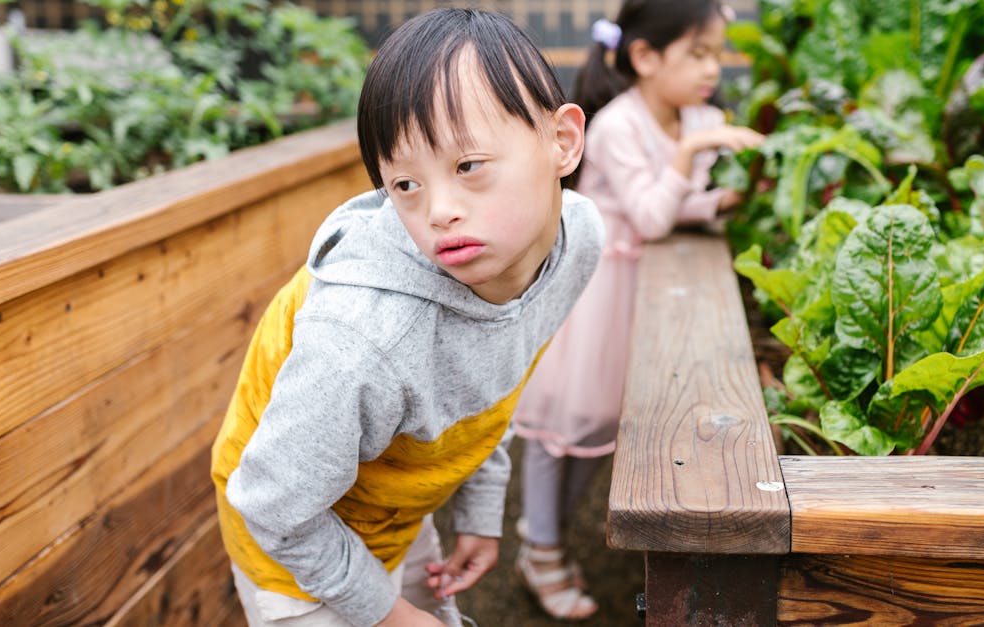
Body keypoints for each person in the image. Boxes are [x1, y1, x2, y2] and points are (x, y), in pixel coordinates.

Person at [209, 8, 604, 627]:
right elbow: (273, 507)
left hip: (390, 493)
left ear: (563, 142)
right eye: (404, 184)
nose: (440, 210)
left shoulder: (577, 240)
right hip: (290, 534)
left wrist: (479, 509)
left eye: (468, 166)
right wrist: (392, 615)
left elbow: (498, 369)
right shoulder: (363, 339)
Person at [510, 0, 765, 620]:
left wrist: (723, 199)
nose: (714, 68)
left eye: (717, 53)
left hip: (637, 295)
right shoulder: (619, 125)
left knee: (597, 431)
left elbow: (680, 206)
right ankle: (538, 547)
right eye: (698, 53)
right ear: (645, 57)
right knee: (561, 425)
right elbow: (651, 216)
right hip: (595, 294)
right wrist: (691, 154)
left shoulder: (695, 115)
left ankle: (546, 542)